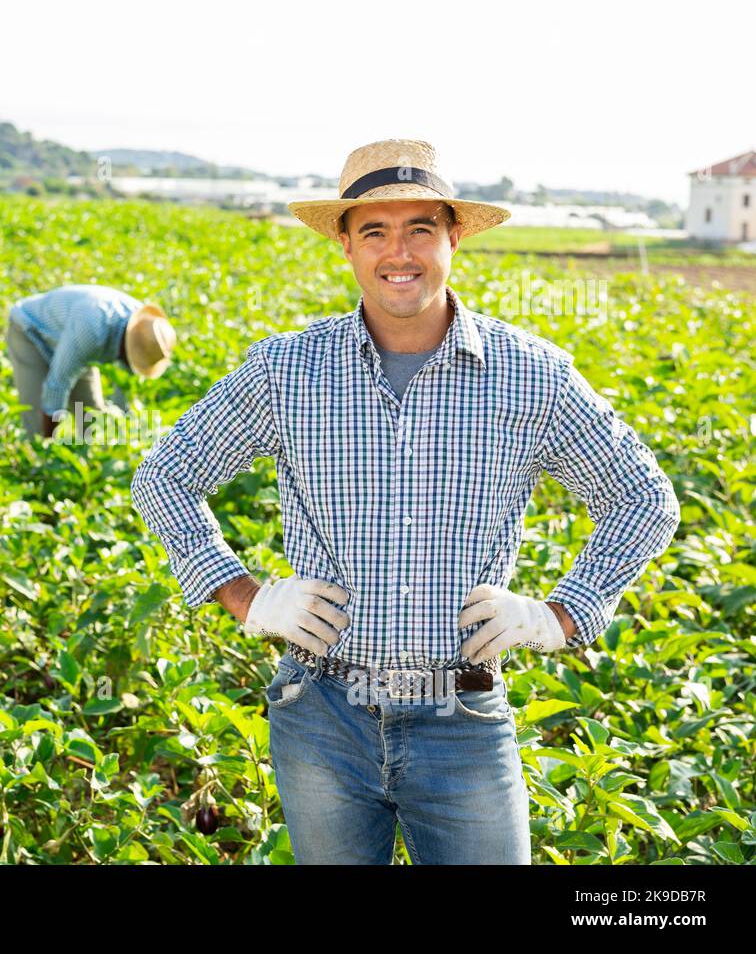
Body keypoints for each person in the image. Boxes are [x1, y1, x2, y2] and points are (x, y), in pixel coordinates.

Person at [130, 139, 681, 864]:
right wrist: (245, 596)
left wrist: (559, 614)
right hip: (321, 713)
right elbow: (165, 474)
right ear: (346, 246)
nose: (401, 253)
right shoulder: (286, 370)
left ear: (454, 238)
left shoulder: (530, 377)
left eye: (421, 228)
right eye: (375, 232)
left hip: (464, 719)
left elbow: (643, 497)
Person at [6, 284, 176, 438]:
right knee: (38, 425)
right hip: (29, 330)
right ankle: (37, 466)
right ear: (127, 350)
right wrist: (49, 447)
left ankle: (90, 458)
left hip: (72, 337)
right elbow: (58, 384)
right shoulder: (92, 332)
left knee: (92, 418)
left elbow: (122, 395)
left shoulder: (145, 333)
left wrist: (126, 430)